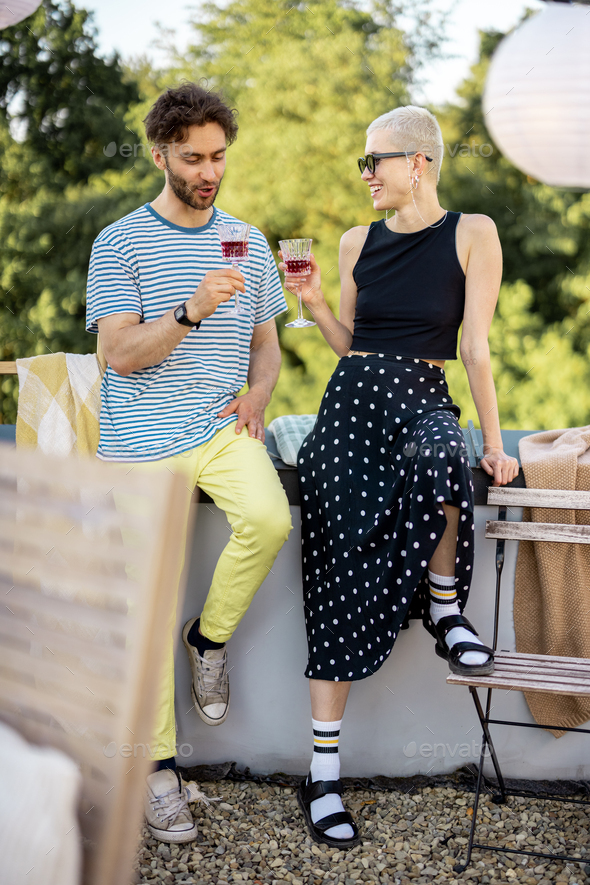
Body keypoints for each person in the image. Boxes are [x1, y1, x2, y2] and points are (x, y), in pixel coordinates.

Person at [289, 105, 519, 848]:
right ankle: (323, 774)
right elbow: (350, 345)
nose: (365, 175)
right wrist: (318, 302)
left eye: (374, 162)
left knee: (443, 454)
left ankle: (446, 611)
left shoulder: (473, 233)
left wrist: (495, 442)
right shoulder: (358, 239)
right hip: (351, 405)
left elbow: (476, 349)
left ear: (417, 162)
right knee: (336, 573)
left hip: (422, 397)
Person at [86, 82, 292, 842]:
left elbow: (267, 342)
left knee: (270, 520)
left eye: (219, 157)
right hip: (140, 437)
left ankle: (209, 638)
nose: (209, 171)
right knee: (147, 603)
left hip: (218, 429)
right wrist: (191, 310)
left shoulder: (247, 236)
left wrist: (258, 397)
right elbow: (118, 354)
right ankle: (158, 769)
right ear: (160, 154)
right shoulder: (120, 242)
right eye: (194, 157)